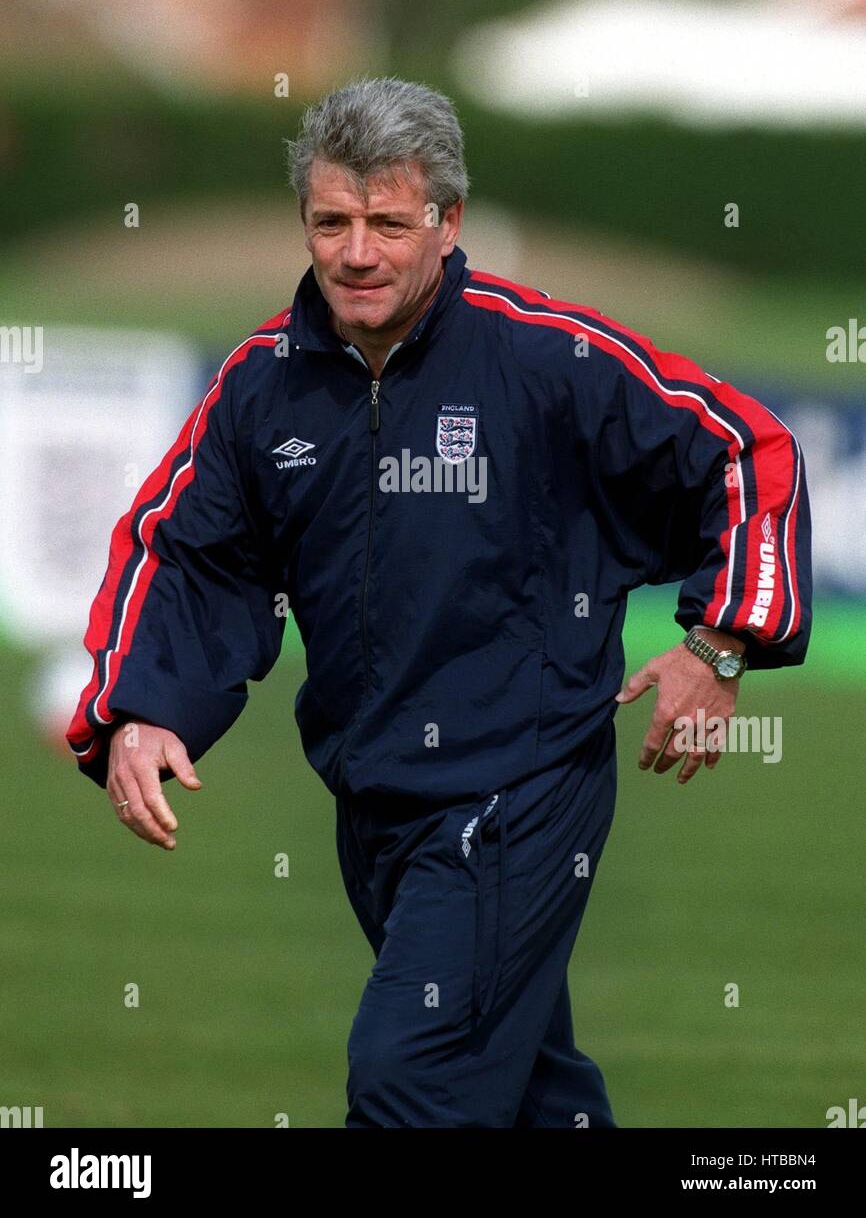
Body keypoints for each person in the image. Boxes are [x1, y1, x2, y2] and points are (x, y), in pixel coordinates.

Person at [67, 77, 812, 1128]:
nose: (355, 252)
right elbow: (186, 554)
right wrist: (142, 708)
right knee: (529, 1095)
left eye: (386, 222)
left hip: (517, 794)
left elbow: (745, 450)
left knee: (407, 1083)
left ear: (447, 221)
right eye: (331, 221)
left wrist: (721, 642)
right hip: (371, 800)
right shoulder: (260, 384)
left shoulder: (548, 357)